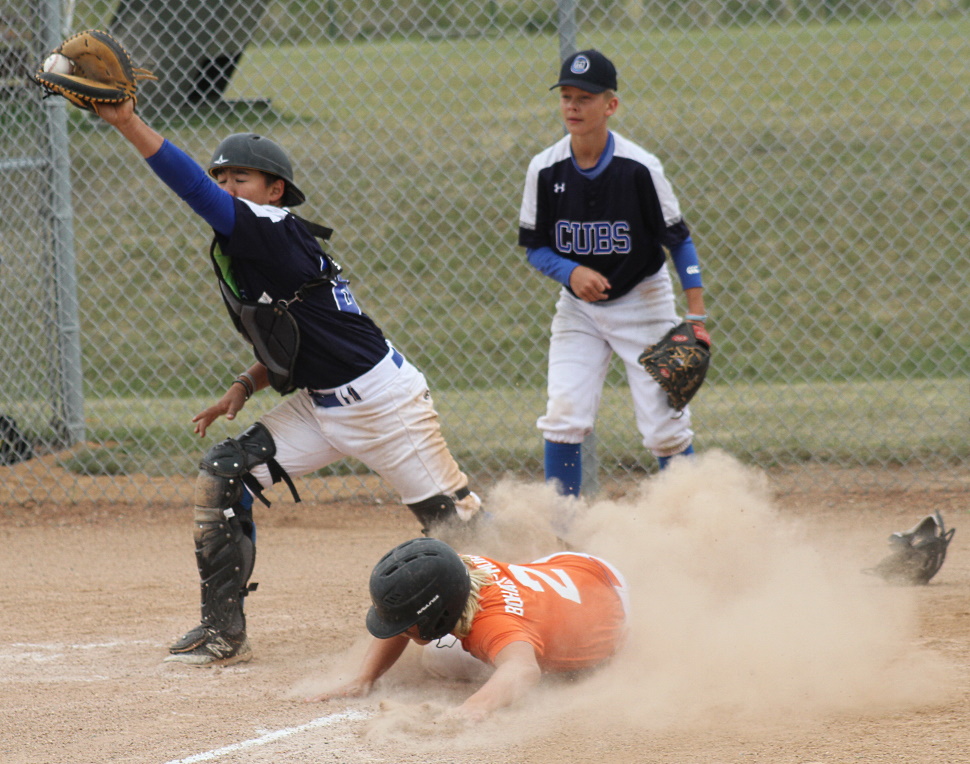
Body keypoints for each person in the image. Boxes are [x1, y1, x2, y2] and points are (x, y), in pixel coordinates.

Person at [93, 99, 486, 667]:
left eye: (241, 178)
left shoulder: (270, 227)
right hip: (320, 406)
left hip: (384, 407)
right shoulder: (251, 246)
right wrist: (245, 385)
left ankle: (540, 593)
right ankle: (222, 629)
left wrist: (125, 121)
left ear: (274, 191)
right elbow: (304, 335)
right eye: (221, 176)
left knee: (463, 529)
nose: (226, 185)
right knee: (224, 472)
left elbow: (195, 194)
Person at [518, 49, 709, 497]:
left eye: (584, 98)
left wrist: (696, 316)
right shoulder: (545, 170)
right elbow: (535, 247)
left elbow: (678, 239)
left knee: (664, 429)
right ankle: (565, 531)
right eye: (566, 96)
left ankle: (700, 525)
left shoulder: (639, 167)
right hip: (579, 310)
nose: (572, 106)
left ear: (610, 105)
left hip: (643, 300)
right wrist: (570, 271)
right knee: (564, 415)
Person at [306, 537, 628, 722]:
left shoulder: (493, 624)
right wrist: (365, 679)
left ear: (436, 615)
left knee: (438, 658)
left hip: (615, 613)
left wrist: (471, 710)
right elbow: (410, 613)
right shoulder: (453, 568)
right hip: (577, 565)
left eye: (406, 627)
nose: (399, 632)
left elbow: (524, 669)